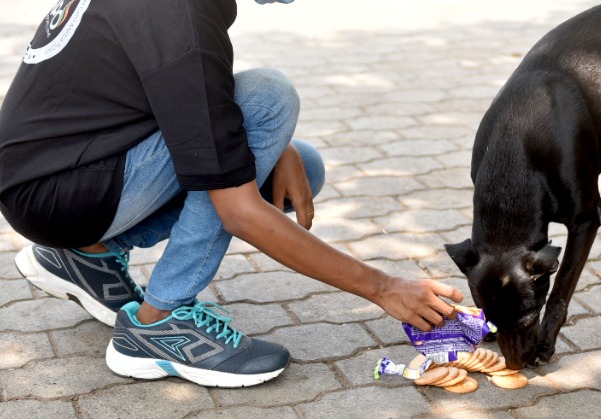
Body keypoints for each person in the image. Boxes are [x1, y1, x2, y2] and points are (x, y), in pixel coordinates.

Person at [0, 0, 462, 388]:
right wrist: (385, 288)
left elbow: (180, 86)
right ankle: (160, 322)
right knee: (269, 96)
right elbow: (239, 210)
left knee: (301, 160)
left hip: (60, 174)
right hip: (58, 193)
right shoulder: (177, 8)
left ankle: (86, 256)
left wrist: (266, 141)